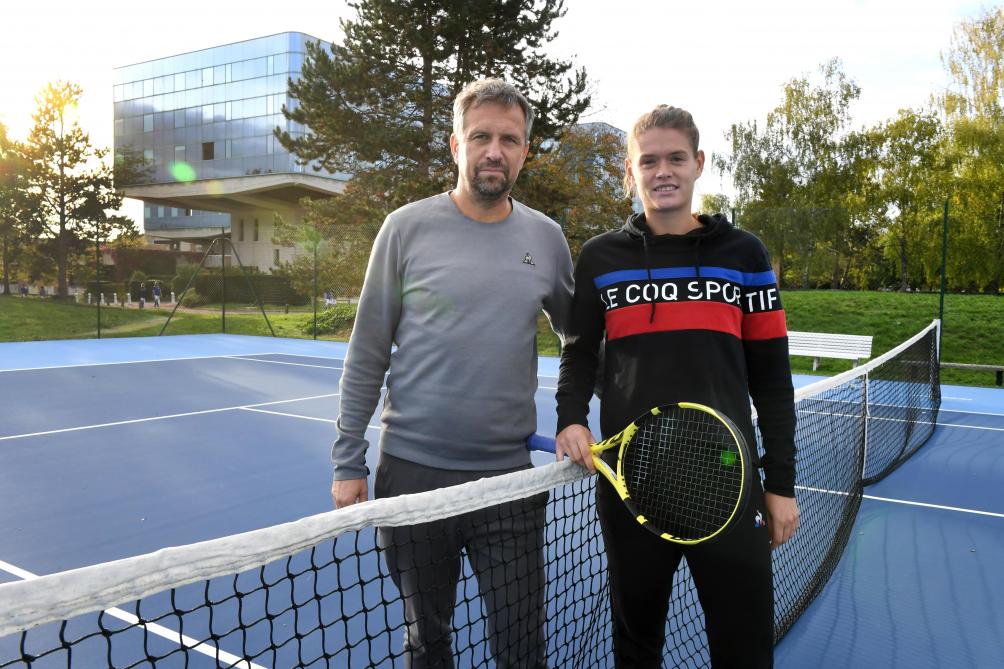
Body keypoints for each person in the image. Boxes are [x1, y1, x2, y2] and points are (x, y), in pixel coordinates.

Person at [330, 78, 573, 669]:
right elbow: (368, 350)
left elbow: (581, 340)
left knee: (523, 651)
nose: (495, 151)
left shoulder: (547, 239)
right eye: (481, 137)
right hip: (411, 478)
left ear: (524, 151)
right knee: (427, 642)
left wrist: (574, 416)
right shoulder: (404, 228)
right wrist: (347, 460)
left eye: (509, 140)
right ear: (456, 145)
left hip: (508, 485)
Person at [554, 105, 800, 668]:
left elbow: (772, 379)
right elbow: (578, 354)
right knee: (636, 649)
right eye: (649, 161)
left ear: (699, 163)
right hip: (632, 485)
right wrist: (571, 418)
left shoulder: (745, 255)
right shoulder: (600, 257)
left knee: (745, 652)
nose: (662, 171)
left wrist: (781, 484)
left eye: (675, 158)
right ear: (630, 170)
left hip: (729, 482)